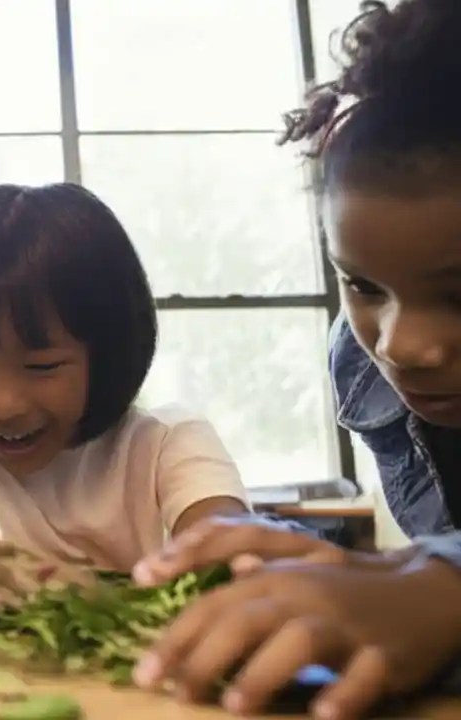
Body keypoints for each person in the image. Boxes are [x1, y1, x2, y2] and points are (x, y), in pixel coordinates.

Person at [125, 1, 461, 717]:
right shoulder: (361, 357)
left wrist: (442, 591)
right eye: (364, 285)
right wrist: (364, 577)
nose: (403, 345)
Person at [0, 183, 250, 615]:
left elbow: (227, 566)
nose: (3, 404)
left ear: (107, 353)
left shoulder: (171, 442)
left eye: (42, 367)